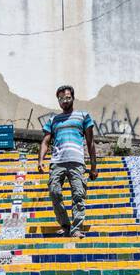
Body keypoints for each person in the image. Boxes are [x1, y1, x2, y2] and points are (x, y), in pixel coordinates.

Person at [38, 85, 98, 237]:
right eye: (61, 99)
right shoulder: (53, 120)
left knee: (78, 194)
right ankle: (65, 225)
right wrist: (40, 160)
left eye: (67, 98)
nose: (64, 101)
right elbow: (45, 142)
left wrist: (93, 167)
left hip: (77, 162)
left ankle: (76, 228)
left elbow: (91, 142)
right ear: (58, 101)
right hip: (57, 162)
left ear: (73, 98)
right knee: (54, 191)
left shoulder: (83, 116)